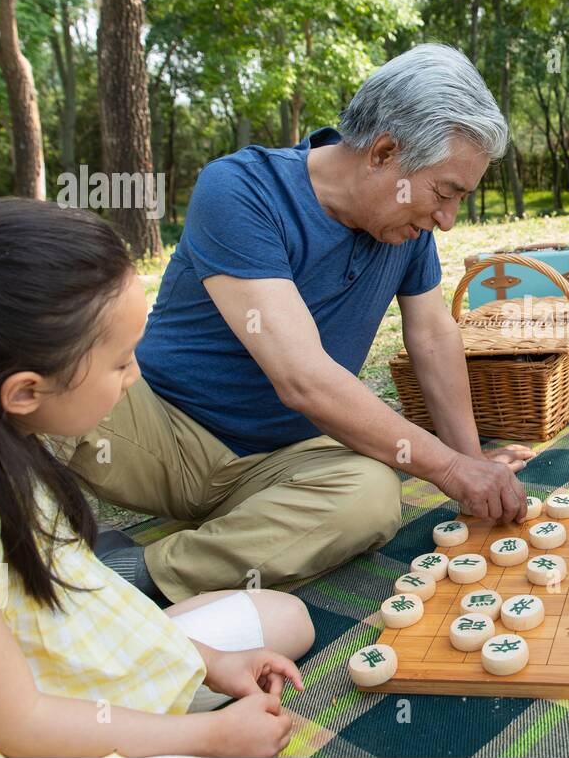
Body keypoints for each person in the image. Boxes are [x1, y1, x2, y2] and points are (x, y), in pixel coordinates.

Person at [59, 43, 535, 607]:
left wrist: (471, 462)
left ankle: (136, 573)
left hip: (283, 461)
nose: (447, 220)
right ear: (384, 151)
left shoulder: (409, 231)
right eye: (445, 192)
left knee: (370, 497)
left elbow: (432, 334)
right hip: (157, 431)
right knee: (34, 358)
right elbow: (302, 377)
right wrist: (450, 468)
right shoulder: (241, 188)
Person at [0, 199, 315, 756]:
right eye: (121, 362)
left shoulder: (6, 443)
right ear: (25, 391)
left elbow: (88, 604)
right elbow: (19, 724)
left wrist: (215, 663)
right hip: (30, 740)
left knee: (286, 617)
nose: (135, 375)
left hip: (76, 677)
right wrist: (209, 736)